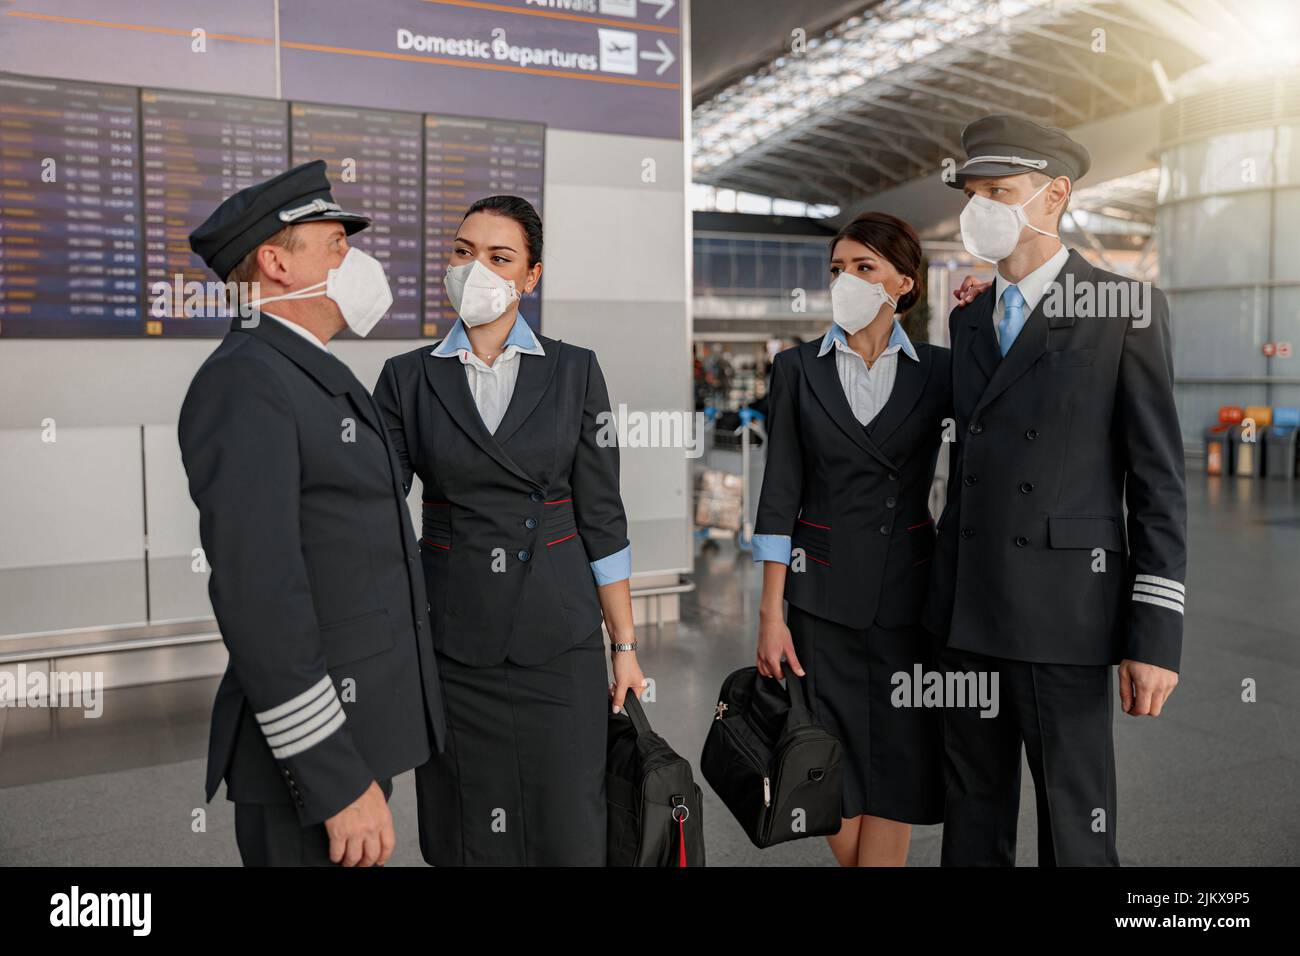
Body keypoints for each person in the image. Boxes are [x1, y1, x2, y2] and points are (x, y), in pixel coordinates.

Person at [923, 115, 1187, 866]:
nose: (983, 208)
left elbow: (1159, 481)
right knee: (971, 815)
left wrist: (1155, 636)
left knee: (1077, 824)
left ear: (1054, 196)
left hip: (1065, 612)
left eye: (1000, 191)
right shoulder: (970, 318)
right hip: (966, 611)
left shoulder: (1125, 310)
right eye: (974, 193)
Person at [179, 159, 447, 867]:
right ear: (275, 263)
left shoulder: (302, 370)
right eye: (337, 245)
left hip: (355, 738)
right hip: (313, 765)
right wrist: (334, 779)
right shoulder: (245, 383)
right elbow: (260, 595)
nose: (356, 260)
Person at [372, 195, 645, 866]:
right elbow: (373, 509)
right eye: (463, 253)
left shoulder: (575, 369)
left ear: (531, 276)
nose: (477, 269)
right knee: (468, 826)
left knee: (569, 824)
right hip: (452, 640)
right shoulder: (407, 378)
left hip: (557, 634)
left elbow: (601, 514)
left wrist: (626, 645)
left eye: (499, 257)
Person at [752, 212, 950, 866]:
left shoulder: (941, 372)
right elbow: (779, 499)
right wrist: (769, 615)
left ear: (904, 283)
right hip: (818, 602)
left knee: (895, 760)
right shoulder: (796, 370)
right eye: (838, 269)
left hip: (909, 599)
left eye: (864, 268)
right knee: (821, 761)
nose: (846, 280)